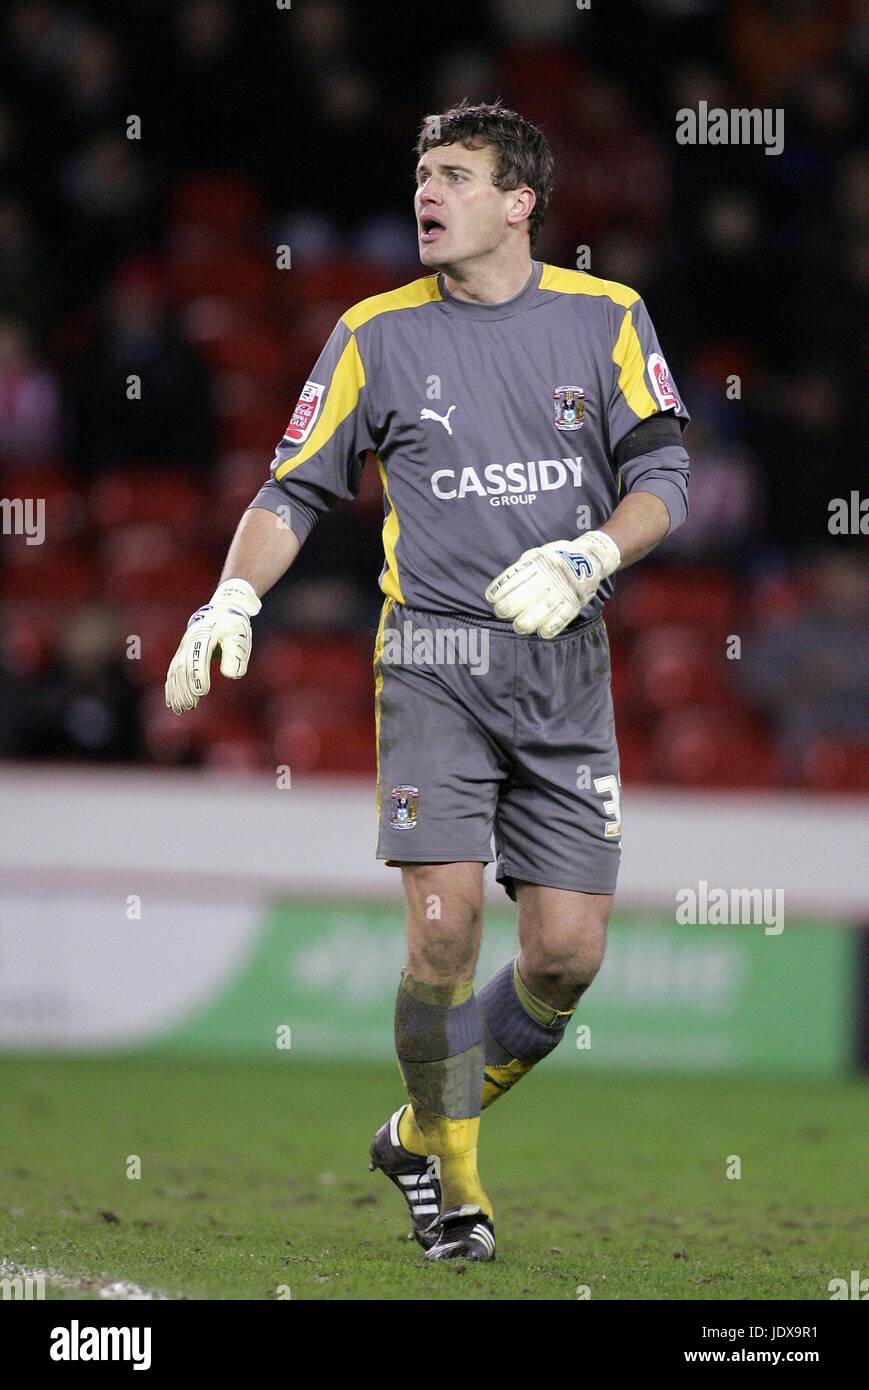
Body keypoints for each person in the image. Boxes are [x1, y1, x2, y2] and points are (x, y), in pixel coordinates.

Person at [165, 99, 690, 1262]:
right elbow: (292, 487)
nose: (426, 194)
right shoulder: (370, 333)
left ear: (520, 202)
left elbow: (663, 470)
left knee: (565, 954)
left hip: (565, 665)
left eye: (453, 174)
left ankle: (413, 1130)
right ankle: (457, 1189)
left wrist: (593, 550)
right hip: (434, 661)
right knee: (442, 928)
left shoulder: (606, 318)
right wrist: (232, 595)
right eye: (419, 176)